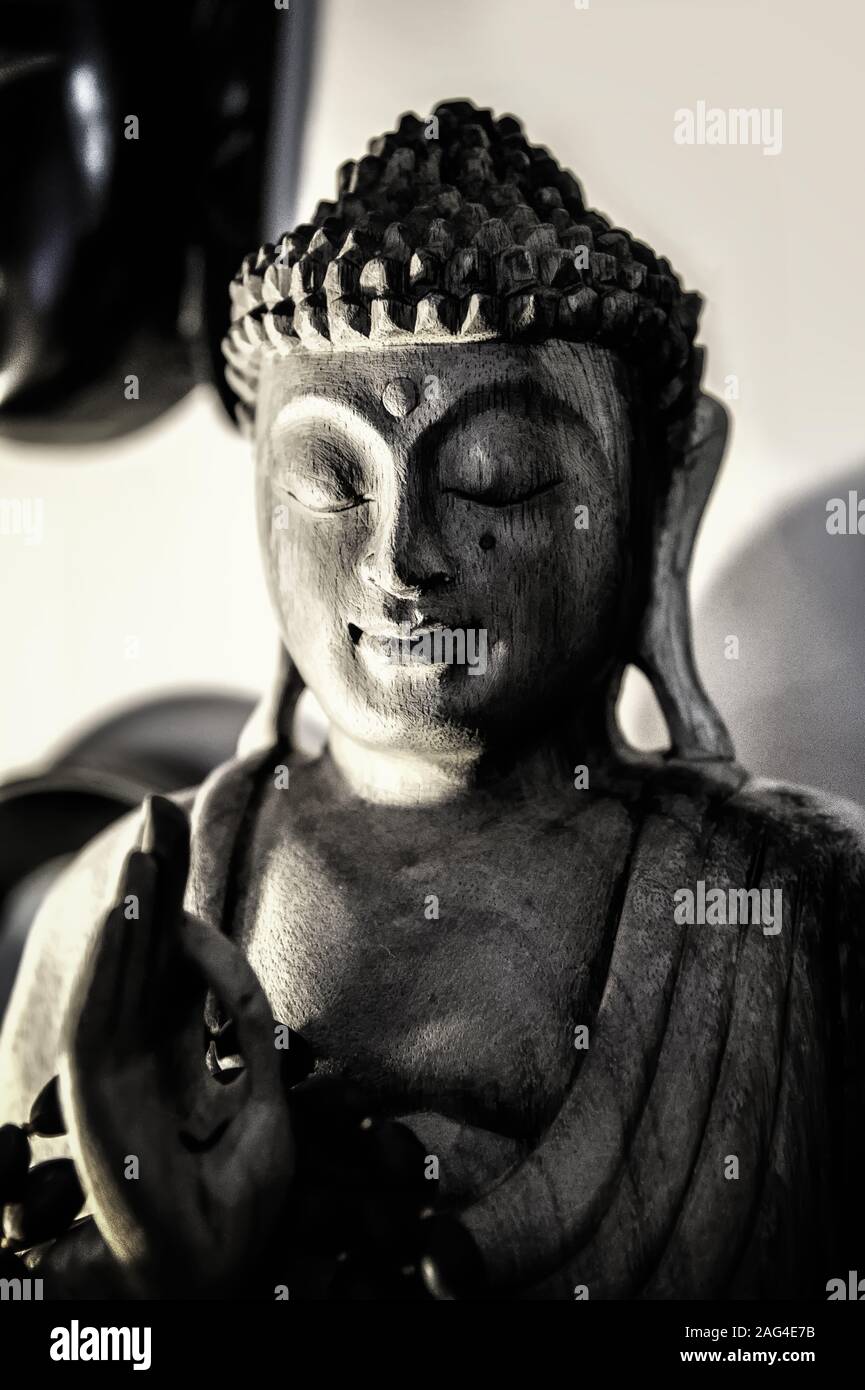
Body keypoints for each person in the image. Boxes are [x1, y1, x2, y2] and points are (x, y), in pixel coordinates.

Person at [1, 99, 863, 1301]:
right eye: (329, 480)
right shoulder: (115, 910)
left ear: (657, 506)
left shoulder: (798, 905)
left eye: (497, 477)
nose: (402, 558)